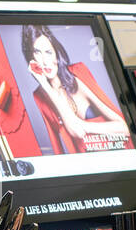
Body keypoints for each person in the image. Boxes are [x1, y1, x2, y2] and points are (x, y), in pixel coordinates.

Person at [23, 24, 128, 153]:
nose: (45, 61)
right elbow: (75, 133)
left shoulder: (78, 73)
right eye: (37, 53)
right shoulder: (40, 95)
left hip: (118, 154)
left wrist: (85, 126)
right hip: (90, 166)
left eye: (49, 52)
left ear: (56, 52)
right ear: (31, 59)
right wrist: (45, 85)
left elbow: (125, 127)